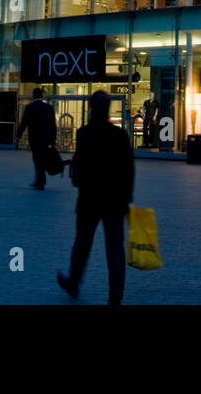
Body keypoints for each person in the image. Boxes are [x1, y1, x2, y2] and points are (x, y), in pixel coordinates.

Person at [57, 91, 134, 305]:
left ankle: (73, 281)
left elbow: (79, 167)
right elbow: (128, 169)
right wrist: (127, 198)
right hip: (114, 201)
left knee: (82, 243)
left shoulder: (84, 133)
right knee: (114, 249)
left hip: (89, 199)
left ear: (91, 108)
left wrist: (78, 182)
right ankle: (115, 296)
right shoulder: (119, 136)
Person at [17, 88, 57, 188]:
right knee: (43, 157)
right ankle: (41, 179)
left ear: (33, 96)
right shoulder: (49, 107)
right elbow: (53, 125)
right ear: (42, 96)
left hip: (34, 138)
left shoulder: (30, 107)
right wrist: (53, 140)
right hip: (47, 138)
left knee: (37, 158)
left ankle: (40, 181)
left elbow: (24, 123)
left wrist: (18, 135)